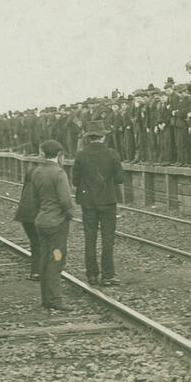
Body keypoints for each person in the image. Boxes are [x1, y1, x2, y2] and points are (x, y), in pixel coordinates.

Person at [74, 120, 123, 285]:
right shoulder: (112, 154)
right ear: (102, 137)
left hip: (88, 203)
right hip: (108, 201)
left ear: (89, 138)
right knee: (108, 238)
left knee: (90, 237)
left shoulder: (81, 155)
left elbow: (75, 181)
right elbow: (119, 178)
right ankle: (108, 275)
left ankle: (92, 275)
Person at [33, 140, 77, 310]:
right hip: (57, 223)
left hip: (42, 221)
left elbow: (35, 198)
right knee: (56, 259)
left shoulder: (37, 171)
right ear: (59, 155)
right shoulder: (59, 173)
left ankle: (45, 298)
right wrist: (70, 214)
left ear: (43, 153)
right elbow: (65, 199)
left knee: (44, 258)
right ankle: (55, 300)